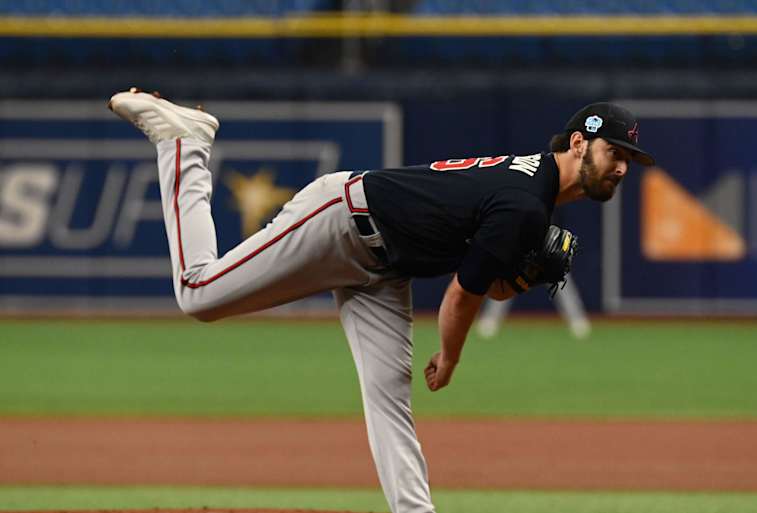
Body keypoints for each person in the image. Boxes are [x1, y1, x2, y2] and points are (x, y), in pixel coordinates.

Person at [108, 88, 655, 513]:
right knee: (199, 294)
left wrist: (513, 280)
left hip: (384, 268)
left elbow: (487, 281)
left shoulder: (531, 189)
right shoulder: (527, 205)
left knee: (389, 397)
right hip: (341, 220)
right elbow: (462, 297)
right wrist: (452, 355)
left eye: (630, 157)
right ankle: (185, 144)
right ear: (579, 143)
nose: (623, 166)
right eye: (615, 151)